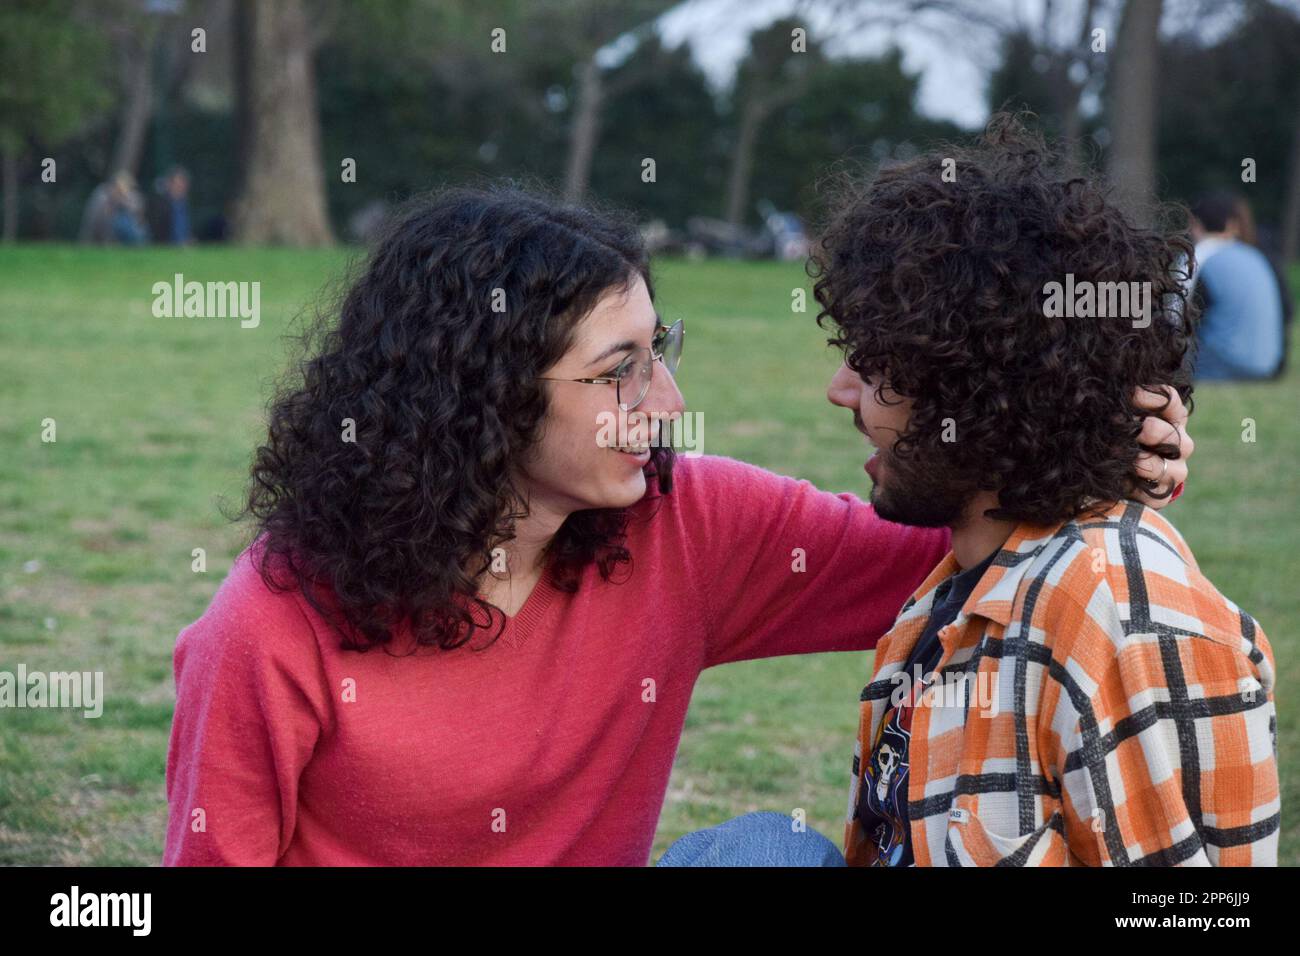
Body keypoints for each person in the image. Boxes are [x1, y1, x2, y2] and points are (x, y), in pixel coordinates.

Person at [164, 183, 1191, 866]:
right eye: (619, 371)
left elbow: (963, 548)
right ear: (480, 396)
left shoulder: (682, 521)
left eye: (660, 350)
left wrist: (1100, 457)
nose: (663, 401)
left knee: (771, 854)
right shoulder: (272, 620)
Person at [660, 116, 1277, 868]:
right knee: (755, 850)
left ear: (983, 394)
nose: (838, 390)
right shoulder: (954, 584)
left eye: (876, 368)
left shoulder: (1122, 624)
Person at [1188, 192, 1285, 380]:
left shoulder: (1199, 256)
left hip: (1224, 363)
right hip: (1266, 365)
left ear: (1195, 223)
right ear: (1231, 224)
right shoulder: (1255, 255)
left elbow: (1173, 316)